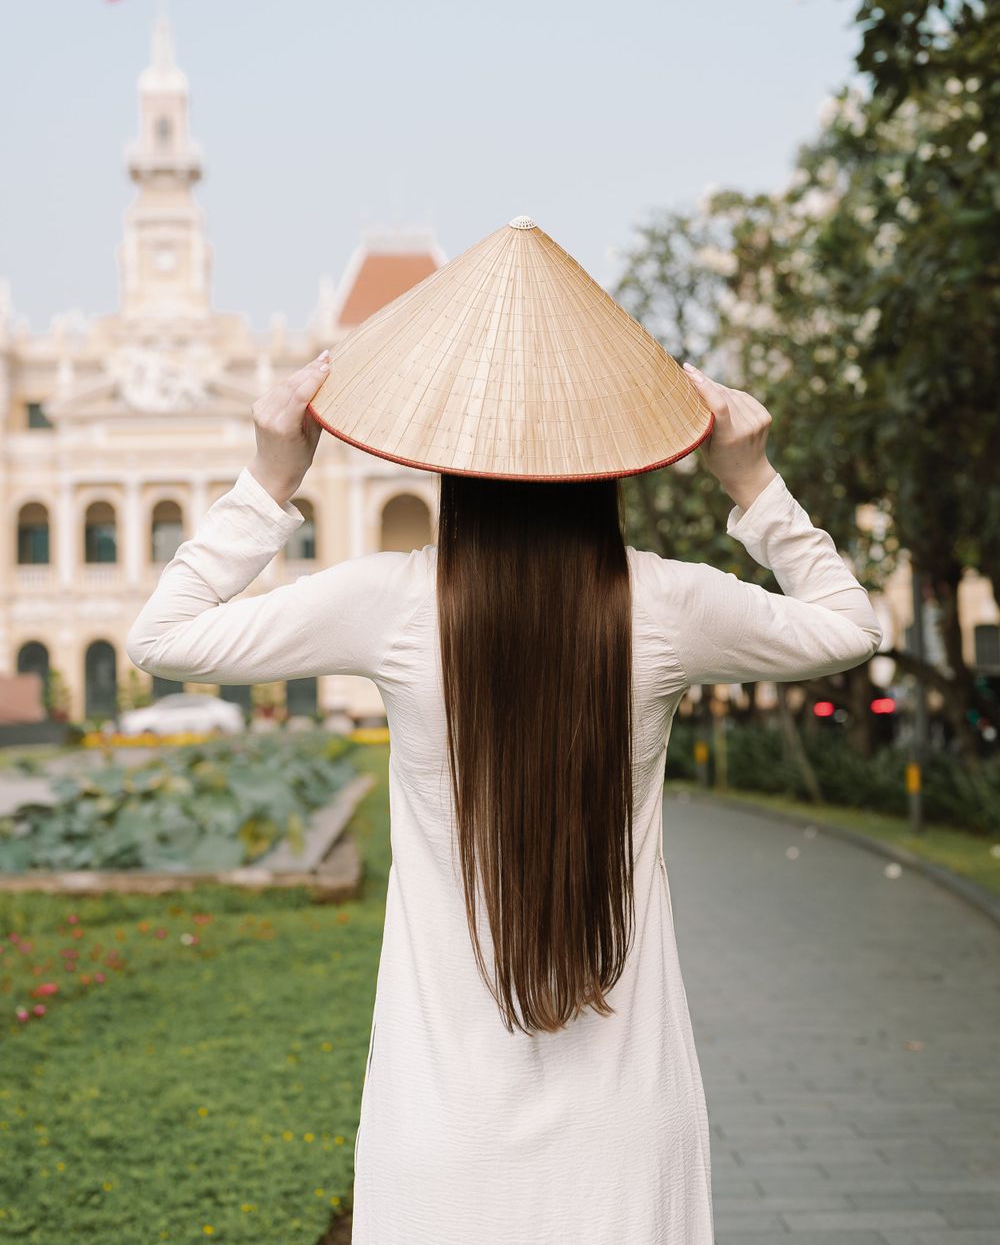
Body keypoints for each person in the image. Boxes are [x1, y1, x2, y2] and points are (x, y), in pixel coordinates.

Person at [126, 217, 882, 1245]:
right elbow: (850, 625)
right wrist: (750, 482)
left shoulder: (394, 602)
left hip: (441, 1130)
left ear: (450, 455)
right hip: (629, 1129)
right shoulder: (659, 604)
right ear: (606, 453)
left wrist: (271, 476)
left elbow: (164, 634)